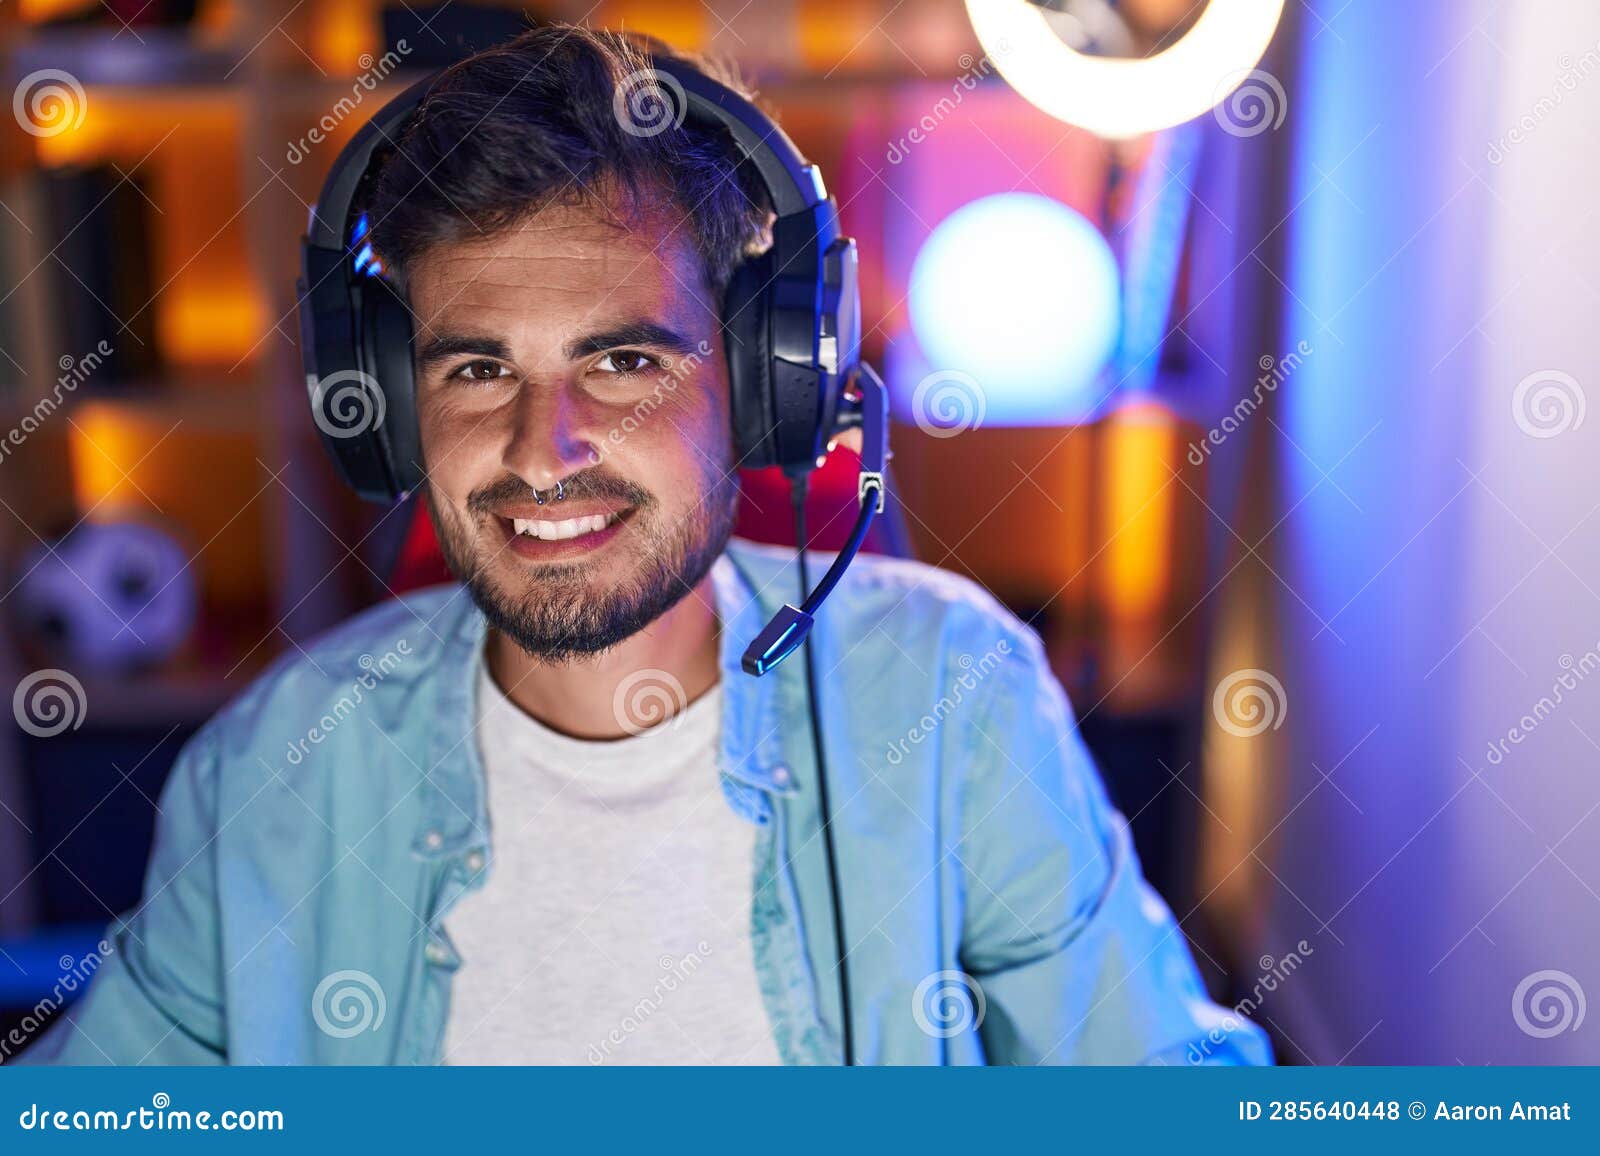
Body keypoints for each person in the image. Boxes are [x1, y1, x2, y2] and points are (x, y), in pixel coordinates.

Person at [21, 25, 1269, 1066]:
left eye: (623, 361)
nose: (539, 446)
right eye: (474, 367)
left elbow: (1153, 1083)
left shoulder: (950, 697)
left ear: (761, 385)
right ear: (391, 406)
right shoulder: (278, 769)